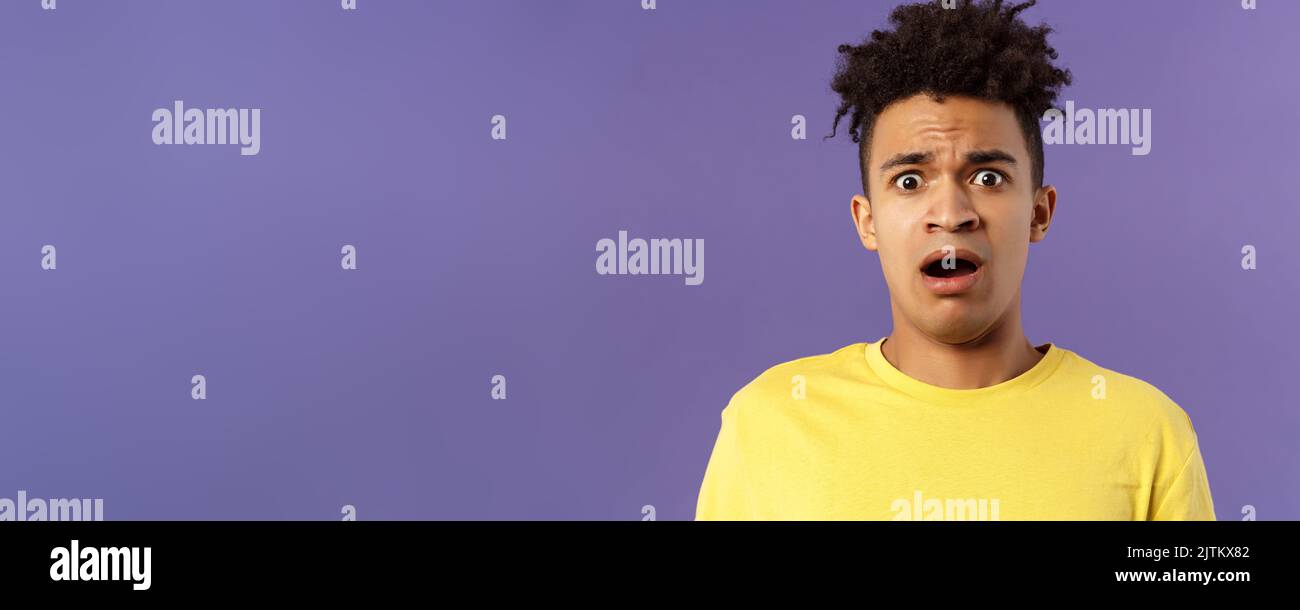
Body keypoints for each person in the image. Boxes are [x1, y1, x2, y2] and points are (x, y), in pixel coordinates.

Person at [695, 0, 1214, 520]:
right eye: (909, 181)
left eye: (988, 177)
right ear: (867, 222)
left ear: (1038, 213)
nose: (950, 214)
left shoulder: (1148, 432)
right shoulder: (769, 422)